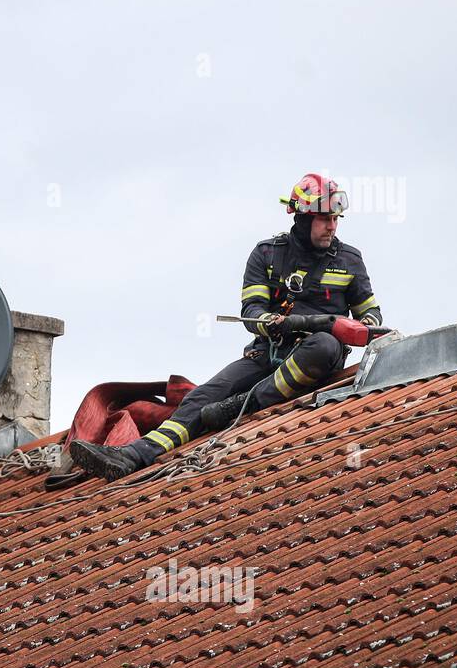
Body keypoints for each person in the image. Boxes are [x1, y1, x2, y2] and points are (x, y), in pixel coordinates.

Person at [71, 173, 383, 482]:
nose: (333, 226)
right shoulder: (267, 254)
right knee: (203, 396)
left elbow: (371, 313)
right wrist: (267, 323)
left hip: (315, 356)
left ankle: (243, 405)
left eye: (336, 219)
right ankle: (133, 455)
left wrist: (367, 324)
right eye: (325, 218)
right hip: (268, 353)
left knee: (326, 346)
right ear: (302, 219)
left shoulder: (349, 261)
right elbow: (252, 310)